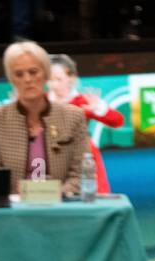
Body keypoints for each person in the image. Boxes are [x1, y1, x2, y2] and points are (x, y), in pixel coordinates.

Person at [0, 40, 86, 196]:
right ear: (12, 80)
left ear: (46, 74)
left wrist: (49, 195)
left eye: (33, 72)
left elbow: (81, 175)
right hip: (12, 213)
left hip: (61, 209)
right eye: (19, 74)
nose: (27, 79)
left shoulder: (74, 116)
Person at [49, 53, 124, 194]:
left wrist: (98, 108)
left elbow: (118, 121)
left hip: (83, 156)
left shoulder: (84, 101)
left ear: (71, 79)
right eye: (50, 80)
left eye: (59, 79)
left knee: (92, 200)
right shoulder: (42, 101)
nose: (54, 85)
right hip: (51, 157)